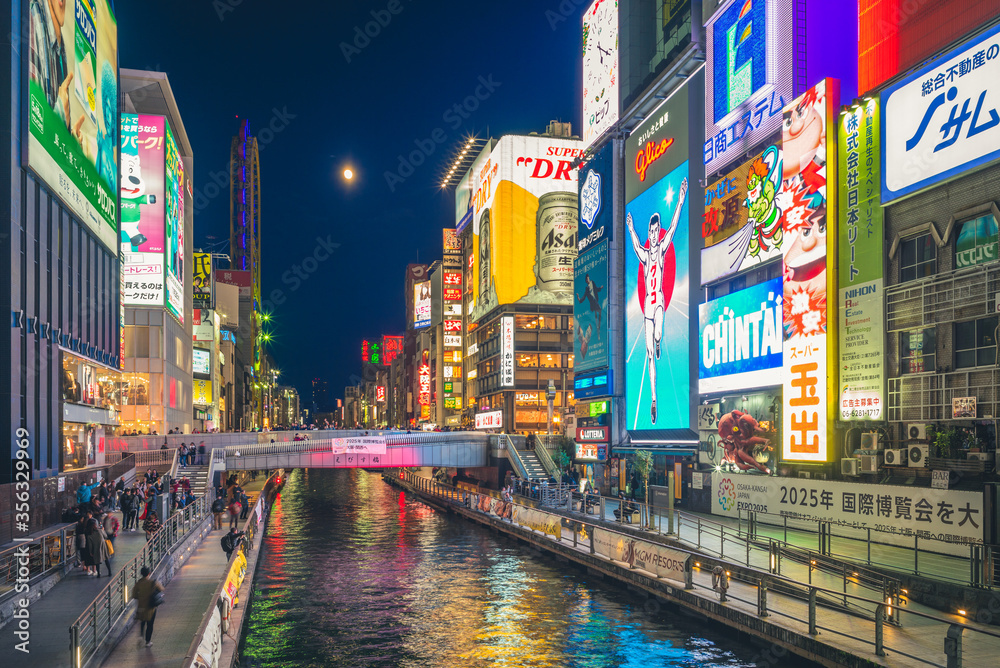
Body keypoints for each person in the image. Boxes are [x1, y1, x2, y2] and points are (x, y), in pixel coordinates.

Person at [626, 176, 687, 424]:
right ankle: (653, 399)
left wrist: (681, 199)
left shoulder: (661, 249)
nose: (652, 235)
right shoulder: (644, 253)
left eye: (654, 230)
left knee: (658, 337)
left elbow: (673, 227)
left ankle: (659, 340)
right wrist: (631, 228)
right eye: (650, 231)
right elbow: (635, 246)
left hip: (659, 302)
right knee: (649, 353)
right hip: (647, 310)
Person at [133, 566, 164, 647]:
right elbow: (161, 589)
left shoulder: (138, 583)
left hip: (141, 606)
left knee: (142, 621)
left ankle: (140, 636)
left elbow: (134, 595)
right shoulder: (152, 582)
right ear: (149, 573)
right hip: (151, 607)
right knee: (150, 624)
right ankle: (148, 641)